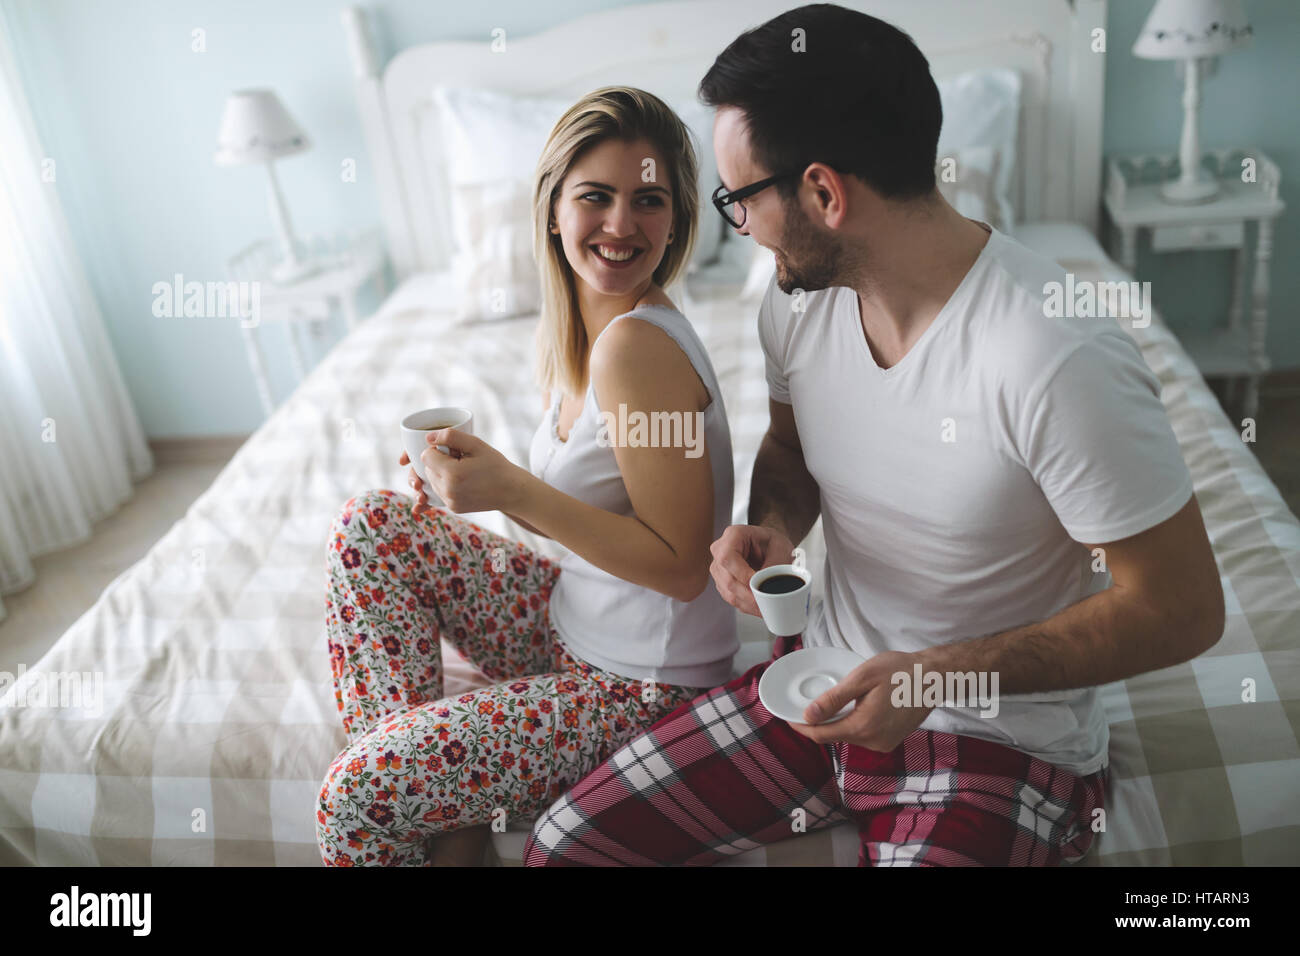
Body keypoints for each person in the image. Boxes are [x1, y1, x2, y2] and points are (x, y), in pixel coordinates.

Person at [524, 4, 1224, 867]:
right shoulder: (795, 301)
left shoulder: (1054, 355)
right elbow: (789, 453)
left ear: (824, 193)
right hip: (818, 684)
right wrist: (775, 525)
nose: (737, 228)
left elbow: (1182, 609)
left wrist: (931, 676)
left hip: (1000, 745)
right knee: (563, 847)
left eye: (740, 199)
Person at [316, 87, 736, 866]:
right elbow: (596, 518)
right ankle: (445, 815)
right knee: (371, 528)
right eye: (596, 197)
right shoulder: (583, 333)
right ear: (552, 210)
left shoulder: (636, 348)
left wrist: (511, 491)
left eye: (649, 200)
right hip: (568, 622)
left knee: (356, 798)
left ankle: (426, 812)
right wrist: (476, 487)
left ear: (677, 219)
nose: (620, 224)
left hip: (642, 691)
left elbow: (682, 568)